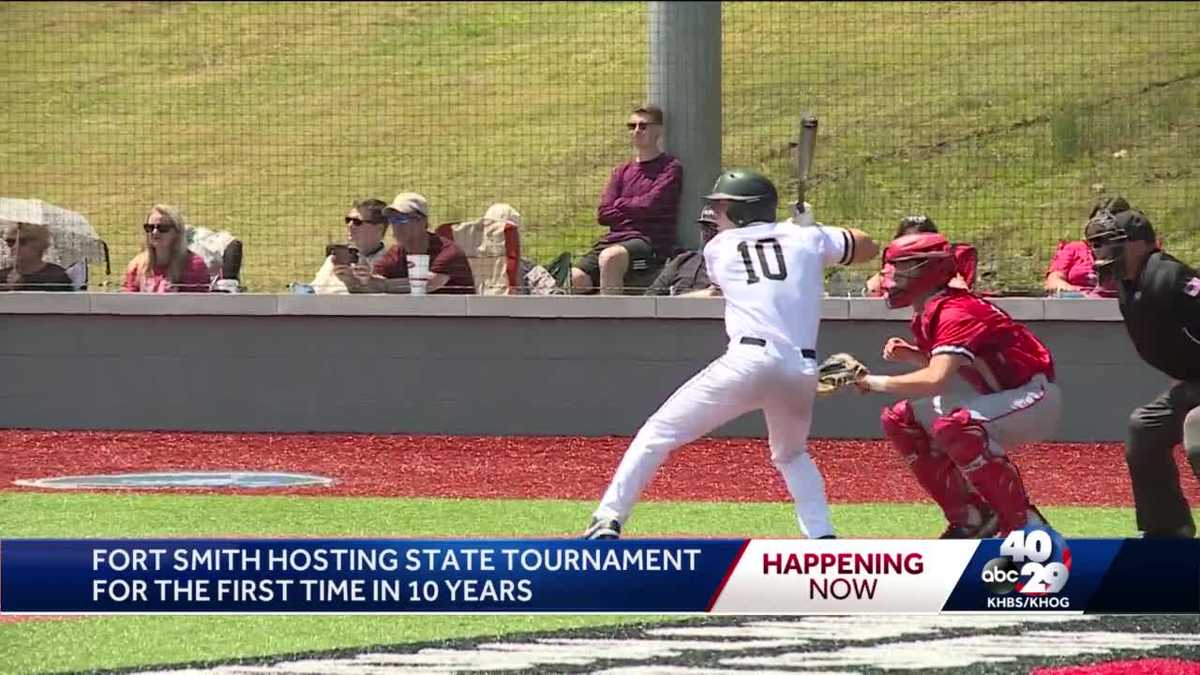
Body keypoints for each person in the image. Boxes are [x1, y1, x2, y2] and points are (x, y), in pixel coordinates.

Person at [584, 169, 878, 540]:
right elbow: (869, 247)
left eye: (722, 207)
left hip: (748, 362)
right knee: (792, 455)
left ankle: (608, 518)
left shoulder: (719, 248)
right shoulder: (805, 238)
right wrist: (814, 229)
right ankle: (822, 536)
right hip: (801, 370)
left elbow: (764, 260)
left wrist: (804, 233)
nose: (715, 214)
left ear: (742, 211)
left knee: (658, 432)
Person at [854, 232, 1061, 538]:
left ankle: (1027, 526)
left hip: (1035, 396)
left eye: (902, 267)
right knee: (901, 419)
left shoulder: (956, 310)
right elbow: (951, 365)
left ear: (930, 270)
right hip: (1006, 397)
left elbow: (935, 379)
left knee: (956, 427)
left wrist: (871, 382)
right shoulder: (933, 310)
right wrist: (913, 356)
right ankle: (972, 517)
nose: (891, 276)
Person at [1084, 197, 1200, 538]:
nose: (1101, 252)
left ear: (1138, 244)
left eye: (1109, 243)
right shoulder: (1131, 284)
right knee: (1145, 427)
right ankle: (1168, 529)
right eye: (1097, 245)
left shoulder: (1171, 277)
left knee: (1198, 430)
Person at [571, 104, 683, 295]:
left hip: (648, 243)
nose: (637, 131)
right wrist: (633, 209)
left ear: (658, 130)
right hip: (614, 239)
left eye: (643, 126)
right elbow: (603, 213)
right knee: (574, 278)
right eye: (632, 126)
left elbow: (650, 205)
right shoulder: (621, 171)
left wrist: (621, 204)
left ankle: (613, 314)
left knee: (610, 258)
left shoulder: (670, 167)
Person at [369, 192, 475, 294]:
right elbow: (375, 282)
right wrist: (363, 280)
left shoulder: (449, 252)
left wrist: (384, 285)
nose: (396, 225)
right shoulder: (394, 254)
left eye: (402, 219)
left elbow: (427, 284)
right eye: (393, 219)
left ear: (422, 221)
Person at [864, 215, 974, 296]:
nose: (916, 246)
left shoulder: (949, 273)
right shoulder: (886, 275)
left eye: (922, 239)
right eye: (909, 240)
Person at [122, 204, 211, 293]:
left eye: (163, 228)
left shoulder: (194, 265)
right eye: (150, 228)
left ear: (177, 232)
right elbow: (128, 299)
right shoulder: (137, 266)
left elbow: (197, 300)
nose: (155, 232)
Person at [311, 198, 391, 295]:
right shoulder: (338, 258)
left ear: (379, 228)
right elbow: (313, 291)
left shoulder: (391, 263)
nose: (350, 225)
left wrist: (355, 284)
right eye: (348, 220)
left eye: (357, 222)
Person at [1045, 202, 1121, 297]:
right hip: (1075, 300)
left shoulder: (1129, 253)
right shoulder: (1074, 248)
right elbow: (1054, 280)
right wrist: (1077, 293)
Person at [642, 206, 716, 297]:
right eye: (704, 227)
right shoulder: (684, 260)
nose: (707, 233)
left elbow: (715, 294)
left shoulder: (728, 264)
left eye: (714, 228)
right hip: (670, 305)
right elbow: (651, 294)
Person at [0, 221, 73, 291]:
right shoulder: (3, 276)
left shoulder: (57, 276)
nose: (15, 247)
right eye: (11, 242)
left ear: (39, 244)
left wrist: (24, 286)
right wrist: (7, 289)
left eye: (22, 242)